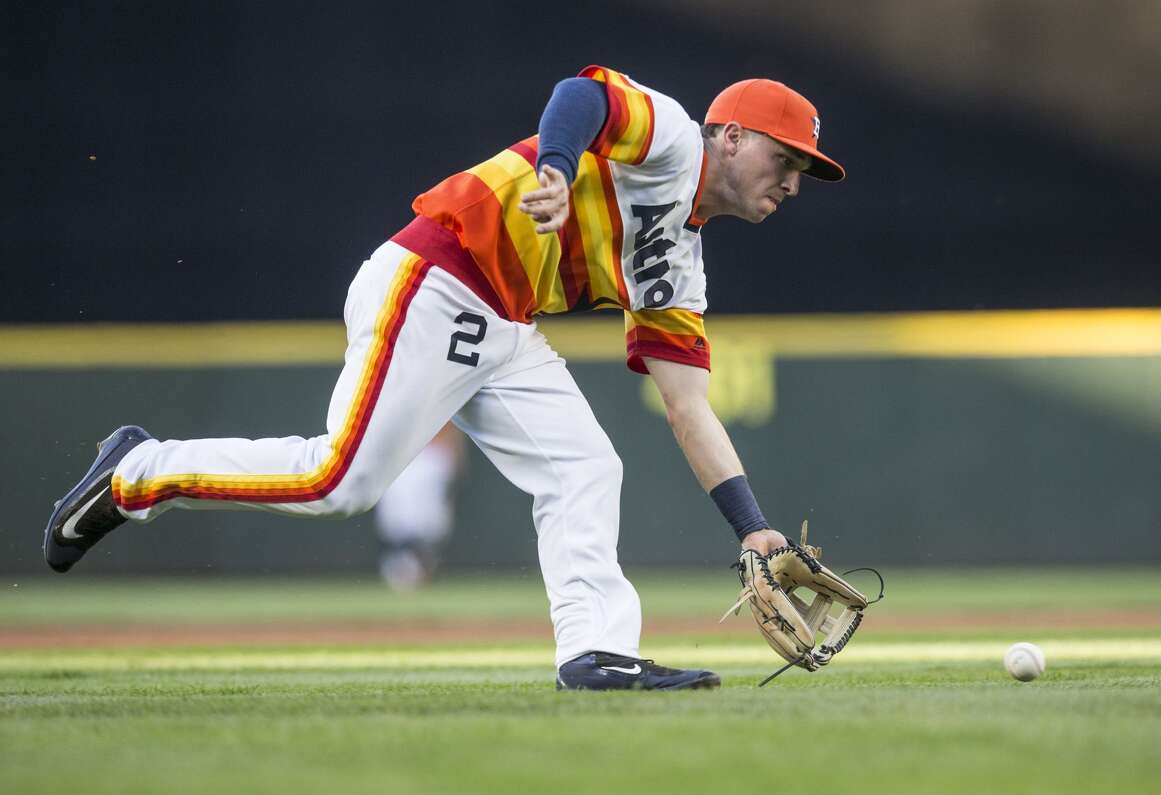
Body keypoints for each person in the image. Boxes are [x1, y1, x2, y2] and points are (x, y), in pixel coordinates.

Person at [43, 66, 845, 691]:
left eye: (803, 171)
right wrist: (559, 168)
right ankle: (134, 470)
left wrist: (752, 526)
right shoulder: (672, 135)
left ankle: (598, 651)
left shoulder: (679, 266)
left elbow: (686, 406)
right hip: (438, 274)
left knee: (586, 467)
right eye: (786, 158)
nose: (792, 183)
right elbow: (581, 95)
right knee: (338, 480)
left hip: (504, 319)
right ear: (731, 136)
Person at [374, 423, 465, 590]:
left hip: (431, 454)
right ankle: (409, 564)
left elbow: (452, 428)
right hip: (404, 456)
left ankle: (418, 564)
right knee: (401, 522)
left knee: (428, 524)